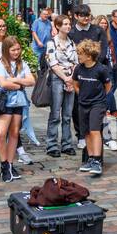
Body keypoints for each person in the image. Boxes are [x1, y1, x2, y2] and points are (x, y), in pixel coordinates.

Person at [0, 36, 34, 183]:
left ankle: (10, 164)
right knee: (0, 133)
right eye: (13, 50)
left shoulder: (22, 64)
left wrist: (15, 80)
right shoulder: (0, 64)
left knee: (14, 132)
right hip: (4, 102)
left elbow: (31, 81)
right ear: (6, 50)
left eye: (18, 49)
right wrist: (19, 85)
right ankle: (4, 164)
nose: (16, 52)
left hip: (18, 102)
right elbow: (3, 84)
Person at [74, 38, 113, 176]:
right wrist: (82, 95)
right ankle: (90, 158)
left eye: (80, 54)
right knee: (86, 132)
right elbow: (75, 83)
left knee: (95, 130)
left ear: (89, 56)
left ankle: (97, 160)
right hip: (82, 104)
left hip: (97, 104)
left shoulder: (101, 69)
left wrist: (99, 98)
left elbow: (108, 86)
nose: (78, 56)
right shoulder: (78, 68)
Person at [45, 16, 79, 158]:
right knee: (55, 113)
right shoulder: (52, 43)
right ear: (58, 26)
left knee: (67, 114)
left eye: (69, 24)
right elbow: (53, 64)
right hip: (57, 79)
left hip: (70, 79)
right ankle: (52, 145)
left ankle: (66, 144)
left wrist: (71, 79)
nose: (68, 26)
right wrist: (65, 78)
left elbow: (77, 61)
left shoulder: (72, 43)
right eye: (65, 24)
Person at [30, 6, 53, 71]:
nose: (46, 15)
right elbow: (33, 32)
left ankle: (44, 78)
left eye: (47, 14)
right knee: (36, 64)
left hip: (46, 46)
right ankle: (37, 79)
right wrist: (38, 42)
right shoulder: (36, 22)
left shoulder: (48, 22)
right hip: (37, 47)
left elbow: (50, 32)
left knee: (46, 64)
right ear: (41, 14)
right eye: (44, 14)